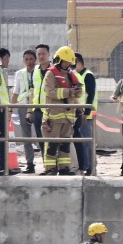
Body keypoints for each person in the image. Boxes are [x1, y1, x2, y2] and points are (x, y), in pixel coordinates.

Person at [41, 46, 82, 176]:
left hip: (68, 117)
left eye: (69, 62)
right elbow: (51, 92)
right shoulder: (50, 74)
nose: (68, 64)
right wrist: (69, 92)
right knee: (52, 144)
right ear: (59, 60)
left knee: (65, 144)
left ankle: (64, 168)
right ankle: (50, 169)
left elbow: (78, 94)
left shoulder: (71, 75)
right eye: (65, 62)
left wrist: (77, 91)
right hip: (54, 116)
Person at [25, 44, 52, 169]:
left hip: (51, 110)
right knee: (40, 139)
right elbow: (32, 91)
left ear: (48, 54)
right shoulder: (35, 70)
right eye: (39, 54)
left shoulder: (53, 70)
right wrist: (30, 110)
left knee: (52, 139)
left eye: (43, 54)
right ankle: (46, 164)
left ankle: (53, 165)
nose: (41, 56)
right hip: (37, 110)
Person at [13, 48, 38, 173]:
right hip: (23, 107)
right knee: (26, 137)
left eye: (31, 59)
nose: (29, 62)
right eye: (26, 59)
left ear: (35, 60)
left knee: (41, 135)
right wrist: (10, 108)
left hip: (37, 107)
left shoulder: (39, 72)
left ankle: (49, 164)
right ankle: (30, 164)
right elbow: (15, 92)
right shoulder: (19, 74)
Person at [73, 53, 97, 175]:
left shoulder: (88, 76)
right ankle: (87, 166)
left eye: (74, 63)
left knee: (87, 142)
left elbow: (90, 95)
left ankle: (89, 167)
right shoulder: (76, 75)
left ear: (80, 62)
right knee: (83, 141)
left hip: (86, 114)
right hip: (79, 113)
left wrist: (85, 113)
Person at [0, 48, 14, 173]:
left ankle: (3, 165)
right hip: (0, 110)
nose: (8, 62)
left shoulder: (0, 72)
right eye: (7, 59)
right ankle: (1, 166)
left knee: (3, 139)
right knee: (0, 139)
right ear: (0, 59)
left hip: (4, 110)